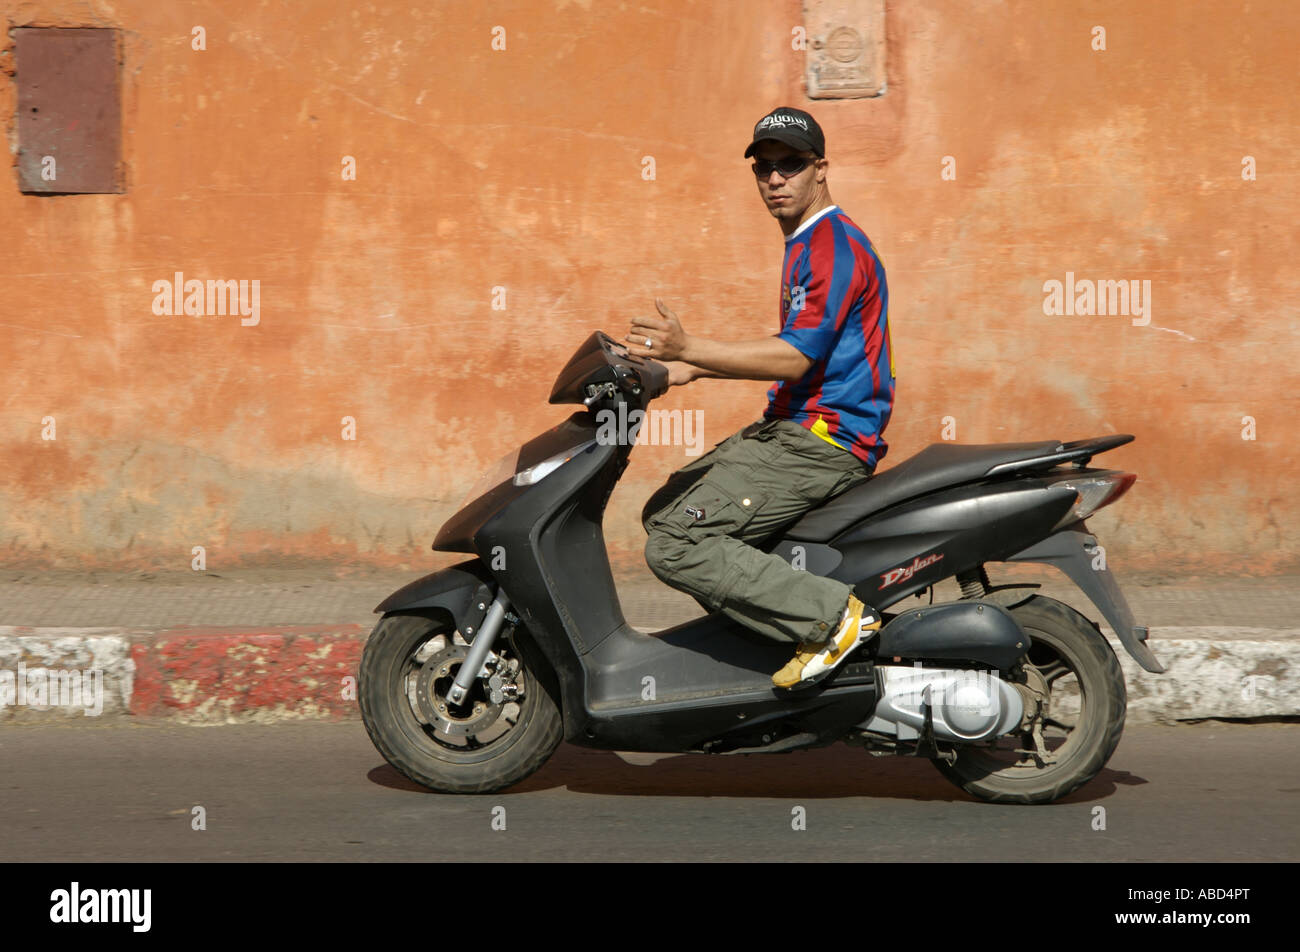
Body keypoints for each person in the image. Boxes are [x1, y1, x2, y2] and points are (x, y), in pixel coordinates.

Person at [624, 106, 896, 690]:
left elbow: (795, 357)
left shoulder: (832, 246)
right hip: (794, 429)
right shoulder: (806, 242)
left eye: (790, 165)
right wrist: (690, 370)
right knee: (664, 507)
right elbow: (805, 355)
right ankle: (768, 641)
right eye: (763, 168)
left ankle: (831, 619)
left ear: (820, 169)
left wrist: (692, 346)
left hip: (822, 439)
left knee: (676, 541)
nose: (775, 179)